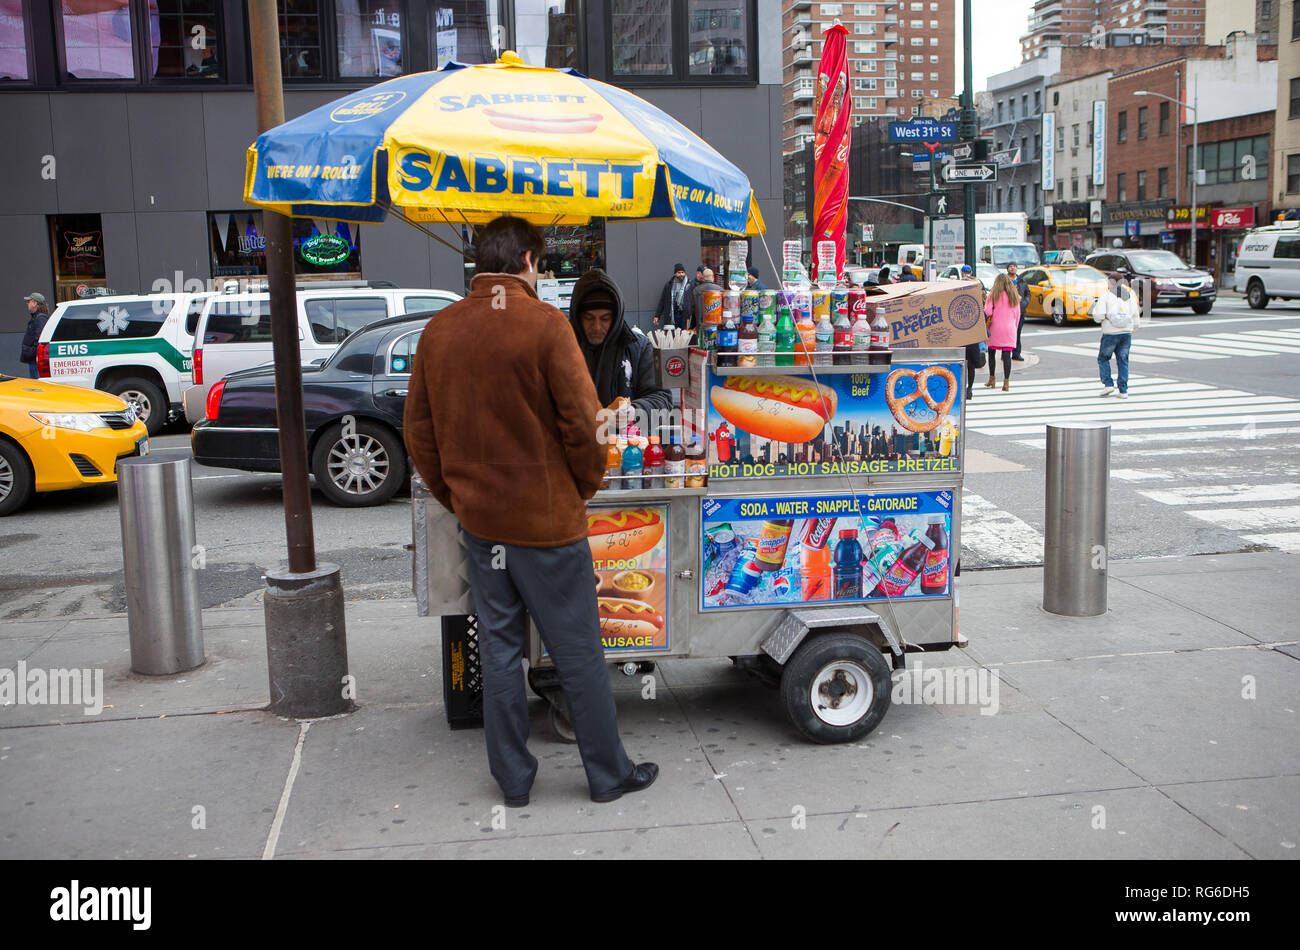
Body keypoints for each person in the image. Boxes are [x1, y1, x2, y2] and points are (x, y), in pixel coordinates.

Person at [403, 216, 657, 807]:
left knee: (497, 648)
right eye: (539, 265)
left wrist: (457, 498)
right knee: (578, 651)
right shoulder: (545, 326)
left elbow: (419, 434)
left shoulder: (438, 332)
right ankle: (606, 773)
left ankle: (513, 780)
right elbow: (587, 425)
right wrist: (583, 490)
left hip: (483, 526)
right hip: (547, 526)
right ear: (527, 261)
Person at [569, 267, 673, 431]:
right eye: (589, 318)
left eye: (605, 319)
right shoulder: (563, 348)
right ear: (577, 316)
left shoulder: (638, 347)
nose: (596, 327)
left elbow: (662, 399)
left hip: (627, 450)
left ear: (616, 317)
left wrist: (634, 411)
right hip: (577, 447)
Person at [1093, 275, 1140, 399]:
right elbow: (1135, 315)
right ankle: (1123, 390)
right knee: (1123, 360)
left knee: (1103, 358)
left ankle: (1108, 384)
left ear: (1110, 282)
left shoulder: (1106, 296)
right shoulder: (1129, 295)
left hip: (1110, 333)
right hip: (1126, 333)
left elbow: (1098, 316)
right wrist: (1132, 327)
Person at [983, 272, 1021, 391]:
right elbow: (1017, 315)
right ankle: (1006, 382)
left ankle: (992, 379)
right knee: (1007, 356)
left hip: (995, 327)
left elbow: (988, 311)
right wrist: (1014, 326)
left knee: (992, 354)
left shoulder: (992, 296)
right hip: (1010, 328)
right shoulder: (1014, 296)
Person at [20, 292, 49, 379]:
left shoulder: (40, 318)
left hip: (35, 360)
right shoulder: (37, 317)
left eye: (29, 301)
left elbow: (40, 339)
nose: (27, 303)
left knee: (37, 384)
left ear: (35, 303)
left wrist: (31, 352)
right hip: (33, 359)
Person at [653, 262, 690, 329]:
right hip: (673, 315)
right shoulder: (669, 285)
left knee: (685, 336)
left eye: (682, 272)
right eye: (679, 272)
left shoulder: (689, 285)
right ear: (675, 273)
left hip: (685, 315)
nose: (681, 274)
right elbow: (662, 301)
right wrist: (657, 316)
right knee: (674, 336)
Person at [1007, 262, 1029, 361]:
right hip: (1007, 311)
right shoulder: (1004, 281)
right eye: (1010, 267)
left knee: (1017, 332)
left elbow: (1028, 294)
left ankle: (1016, 353)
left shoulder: (1022, 281)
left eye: (1014, 266)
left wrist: (1024, 303)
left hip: (1020, 311)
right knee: (1007, 332)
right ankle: (1006, 353)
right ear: (1007, 269)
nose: (1012, 268)